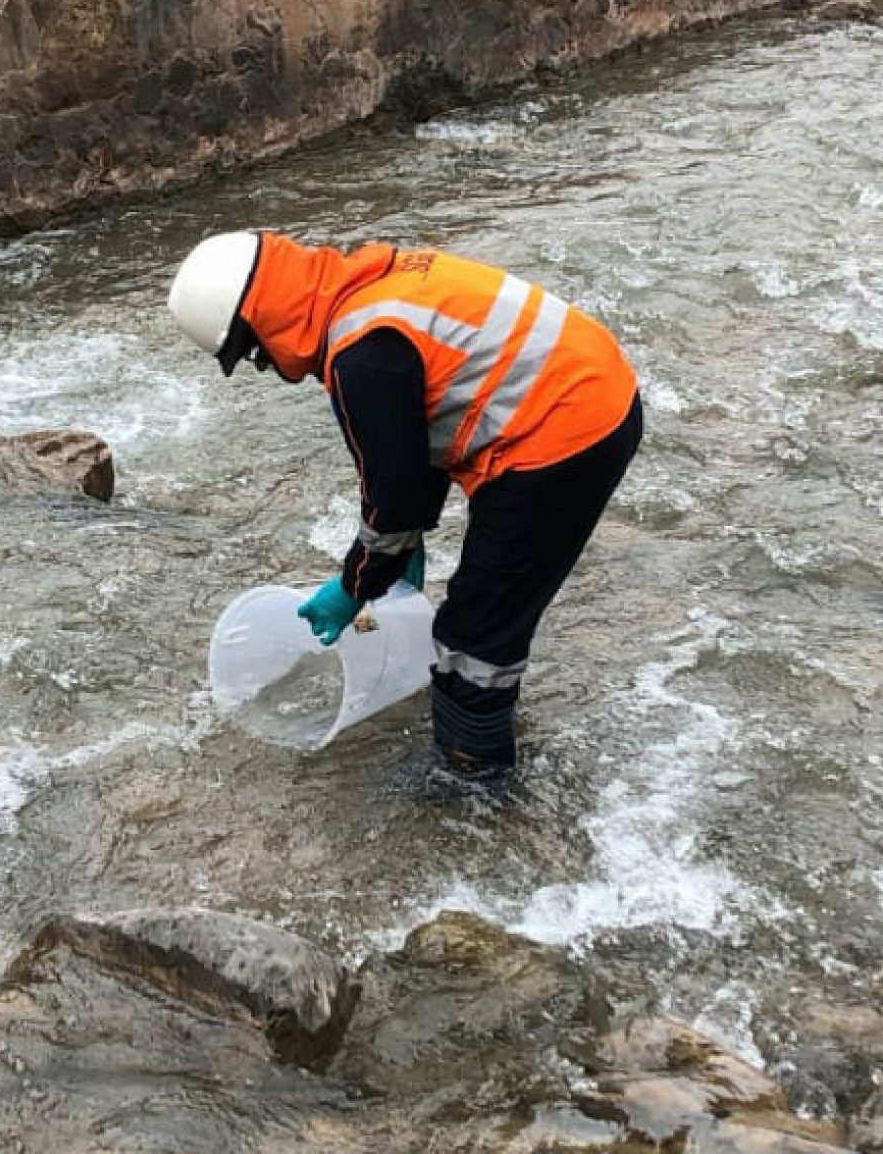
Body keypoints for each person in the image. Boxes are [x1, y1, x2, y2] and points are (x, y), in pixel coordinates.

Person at [167, 230, 643, 781]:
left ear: (262, 321)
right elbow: (423, 438)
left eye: (251, 353)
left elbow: (392, 502)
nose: (261, 366)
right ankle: (480, 739)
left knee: (474, 637)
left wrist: (355, 587)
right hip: (596, 392)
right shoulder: (367, 289)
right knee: (489, 601)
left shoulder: (361, 356)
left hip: (563, 434)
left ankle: (476, 783)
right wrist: (403, 545)